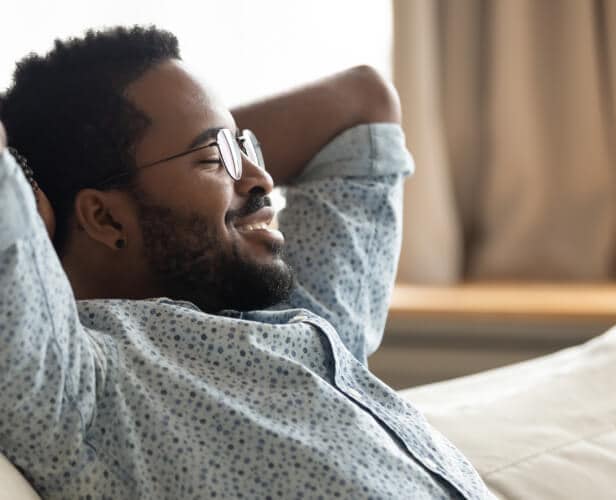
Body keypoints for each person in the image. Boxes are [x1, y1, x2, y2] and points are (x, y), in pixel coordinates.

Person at [0, 26, 490, 499]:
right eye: (215, 157)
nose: (261, 177)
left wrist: (205, 150)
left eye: (245, 147)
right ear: (104, 218)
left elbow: (361, 103)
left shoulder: (298, 314)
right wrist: (30, 197)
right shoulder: (82, 385)